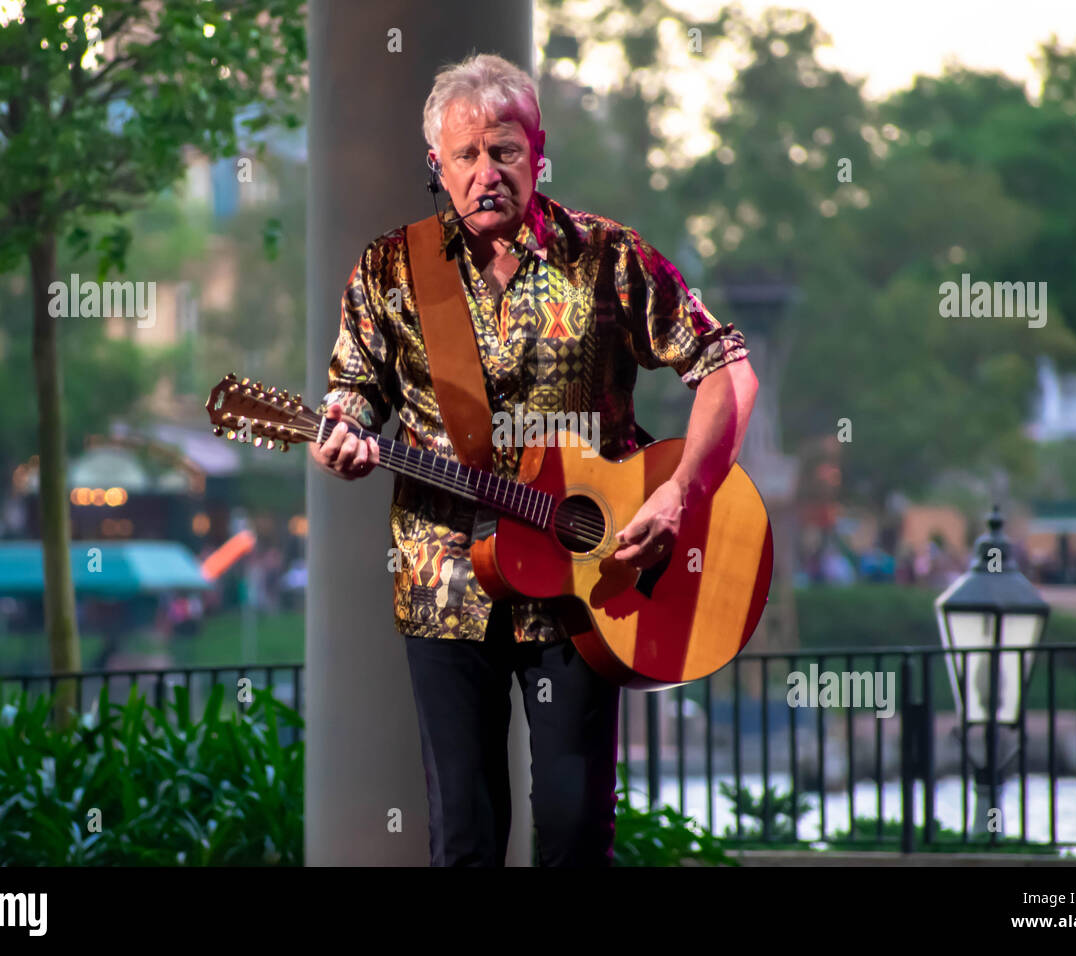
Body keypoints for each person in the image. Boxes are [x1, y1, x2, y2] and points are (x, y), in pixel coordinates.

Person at [309, 52, 757, 867]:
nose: (488, 172)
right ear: (435, 167)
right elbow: (352, 389)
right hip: (443, 582)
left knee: (578, 830)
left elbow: (726, 367)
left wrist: (682, 497)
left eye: (505, 151)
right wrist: (341, 429)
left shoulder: (610, 257)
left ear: (538, 153)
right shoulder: (389, 269)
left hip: (590, 591)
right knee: (464, 840)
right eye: (467, 155)